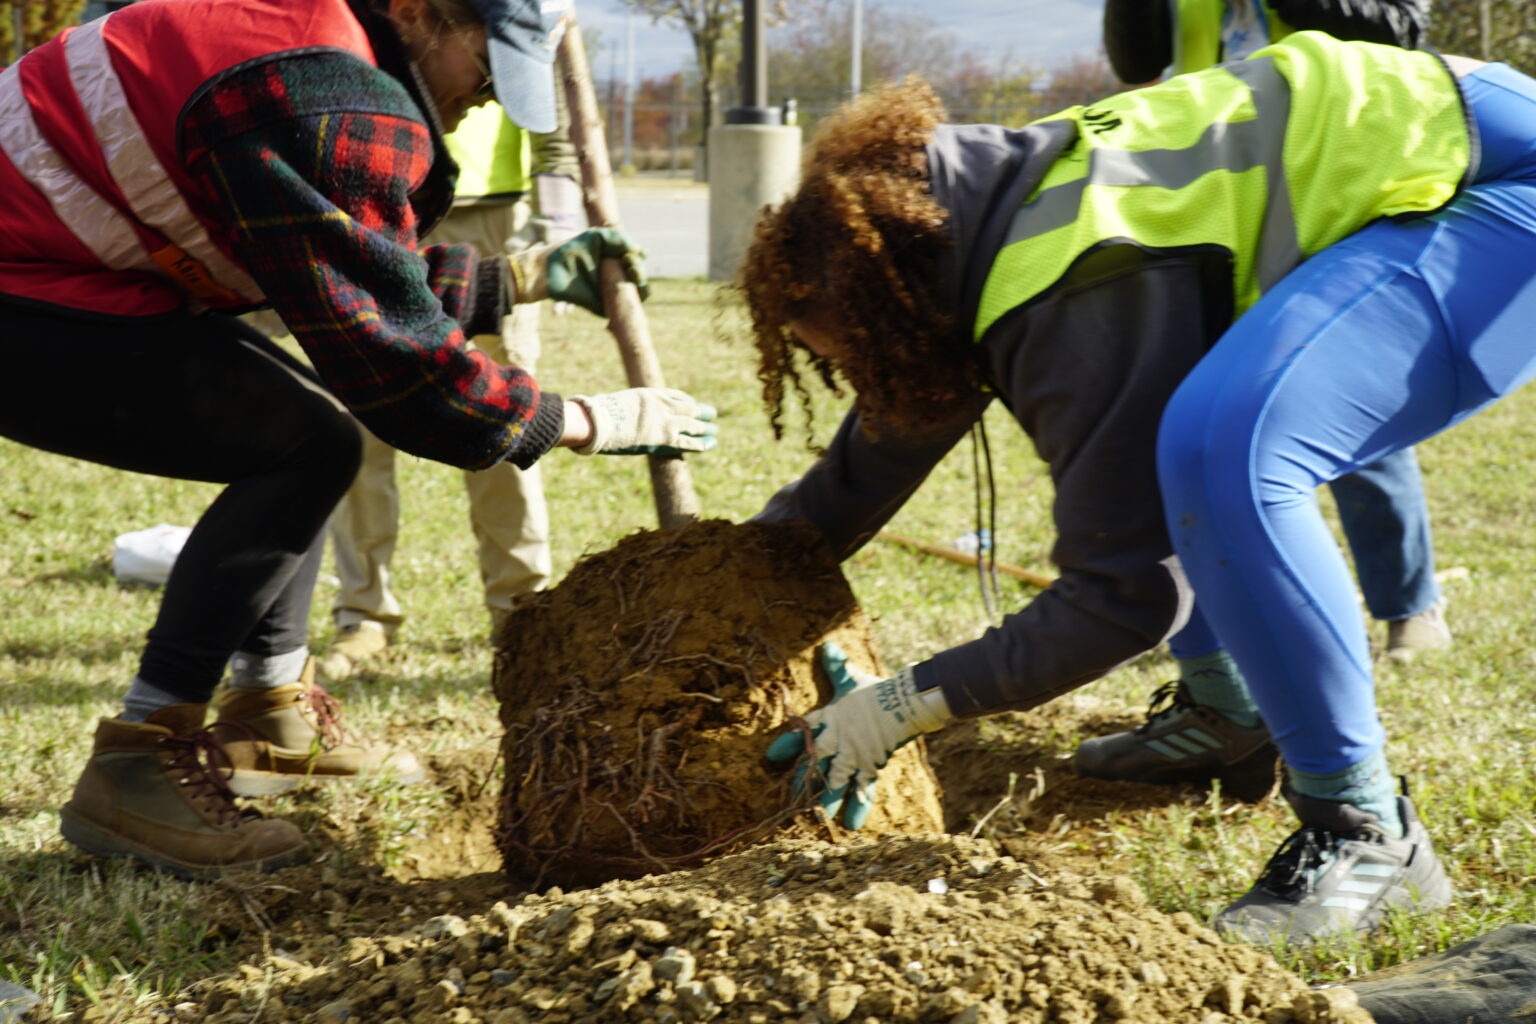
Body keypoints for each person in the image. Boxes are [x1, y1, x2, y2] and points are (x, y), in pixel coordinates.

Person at [746, 36, 1536, 944]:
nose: (853, 378)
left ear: (892, 311)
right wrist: (753, 560)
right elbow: (892, 434)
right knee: (1176, 445)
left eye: (850, 353)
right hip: (1455, 124)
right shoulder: (969, 220)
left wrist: (900, 705)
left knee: (1226, 449)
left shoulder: (1077, 287)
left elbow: (1122, 597)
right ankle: (1231, 712)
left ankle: (1365, 834)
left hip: (1495, 184)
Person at [0, 0, 717, 879]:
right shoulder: (319, 94)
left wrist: (516, 280)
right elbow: (405, 376)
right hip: (22, 279)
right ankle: (138, 758)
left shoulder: (314, 42)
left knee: (312, 434)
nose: (487, 104)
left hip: (51, 259)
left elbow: (342, 267)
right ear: (415, 12)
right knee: (304, 442)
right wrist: (587, 420)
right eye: (485, 71)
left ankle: (269, 717)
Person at [1075, 0, 1448, 803]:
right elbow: (1137, 61)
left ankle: (1407, 604)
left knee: (1345, 408)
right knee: (1192, 419)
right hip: (1221, 180)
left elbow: (1399, 29)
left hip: (1336, 163)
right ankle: (1216, 677)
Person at [321, 100, 573, 680]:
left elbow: (558, 138)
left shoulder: (528, 18)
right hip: (374, 208)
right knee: (358, 427)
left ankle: (519, 610)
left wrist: (555, 227)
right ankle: (363, 614)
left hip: (492, 221)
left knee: (509, 422)